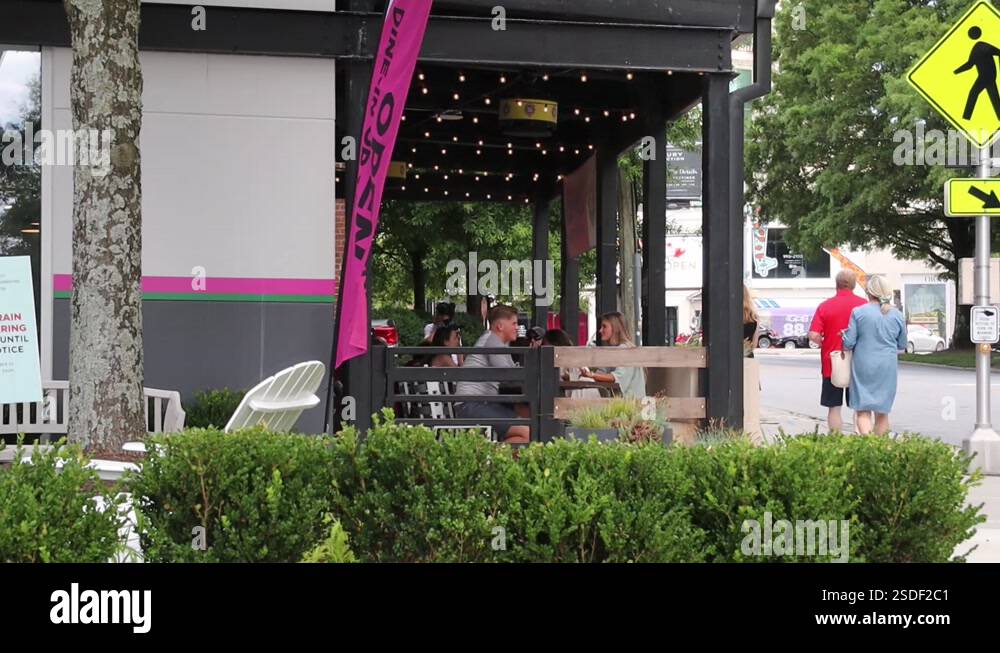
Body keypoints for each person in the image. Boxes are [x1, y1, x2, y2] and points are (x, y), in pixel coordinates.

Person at [841, 275, 907, 436]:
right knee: (882, 411)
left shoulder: (858, 312)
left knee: (863, 411)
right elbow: (902, 344)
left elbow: (848, 343)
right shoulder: (897, 315)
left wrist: (844, 335)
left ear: (869, 292)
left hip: (863, 364)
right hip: (887, 366)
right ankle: (880, 448)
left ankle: (869, 443)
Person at [454, 305, 530, 444]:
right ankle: (489, 460)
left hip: (481, 403)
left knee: (526, 413)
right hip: (472, 406)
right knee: (527, 433)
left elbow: (512, 373)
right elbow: (509, 376)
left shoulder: (497, 343)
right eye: (514, 323)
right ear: (500, 326)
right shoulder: (492, 341)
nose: (517, 327)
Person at [808, 270, 867, 433]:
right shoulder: (864, 305)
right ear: (854, 285)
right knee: (860, 408)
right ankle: (860, 437)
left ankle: (835, 439)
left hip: (832, 363)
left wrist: (824, 342)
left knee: (833, 407)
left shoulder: (825, 306)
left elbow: (813, 334)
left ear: (837, 285)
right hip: (858, 361)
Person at [581, 312, 646, 399]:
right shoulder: (613, 349)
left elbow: (616, 378)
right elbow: (601, 372)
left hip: (633, 406)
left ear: (615, 328)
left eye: (604, 326)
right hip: (620, 404)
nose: (600, 330)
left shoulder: (625, 348)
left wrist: (591, 375)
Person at [743, 284, 760, 357]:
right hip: (747, 355)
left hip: (730, 357)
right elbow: (754, 345)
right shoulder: (754, 317)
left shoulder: (730, 315)